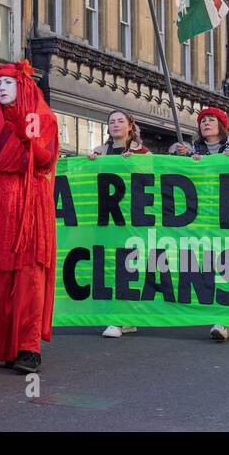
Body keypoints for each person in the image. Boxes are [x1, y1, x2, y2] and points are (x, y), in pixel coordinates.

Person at [0, 61, 58, 374]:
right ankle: (5, 345)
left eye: (8, 83)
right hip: (0, 200)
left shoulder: (40, 116)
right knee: (0, 274)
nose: (1, 89)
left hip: (29, 201)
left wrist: (23, 132)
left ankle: (28, 346)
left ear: (23, 85)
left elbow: (44, 158)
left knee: (29, 275)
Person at [170, 107, 229, 342]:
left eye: (211, 120)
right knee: (208, 263)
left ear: (222, 125)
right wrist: (179, 157)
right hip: (202, 217)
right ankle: (221, 315)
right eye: (202, 121)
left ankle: (226, 318)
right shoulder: (191, 151)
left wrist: (223, 162)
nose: (206, 123)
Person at [88, 109, 147, 338]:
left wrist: (135, 165)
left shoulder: (142, 152)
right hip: (105, 220)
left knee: (127, 267)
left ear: (130, 126)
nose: (115, 125)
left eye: (120, 121)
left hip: (131, 221)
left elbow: (154, 176)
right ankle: (119, 316)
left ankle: (122, 317)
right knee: (108, 266)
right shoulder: (99, 152)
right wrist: (90, 163)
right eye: (111, 122)